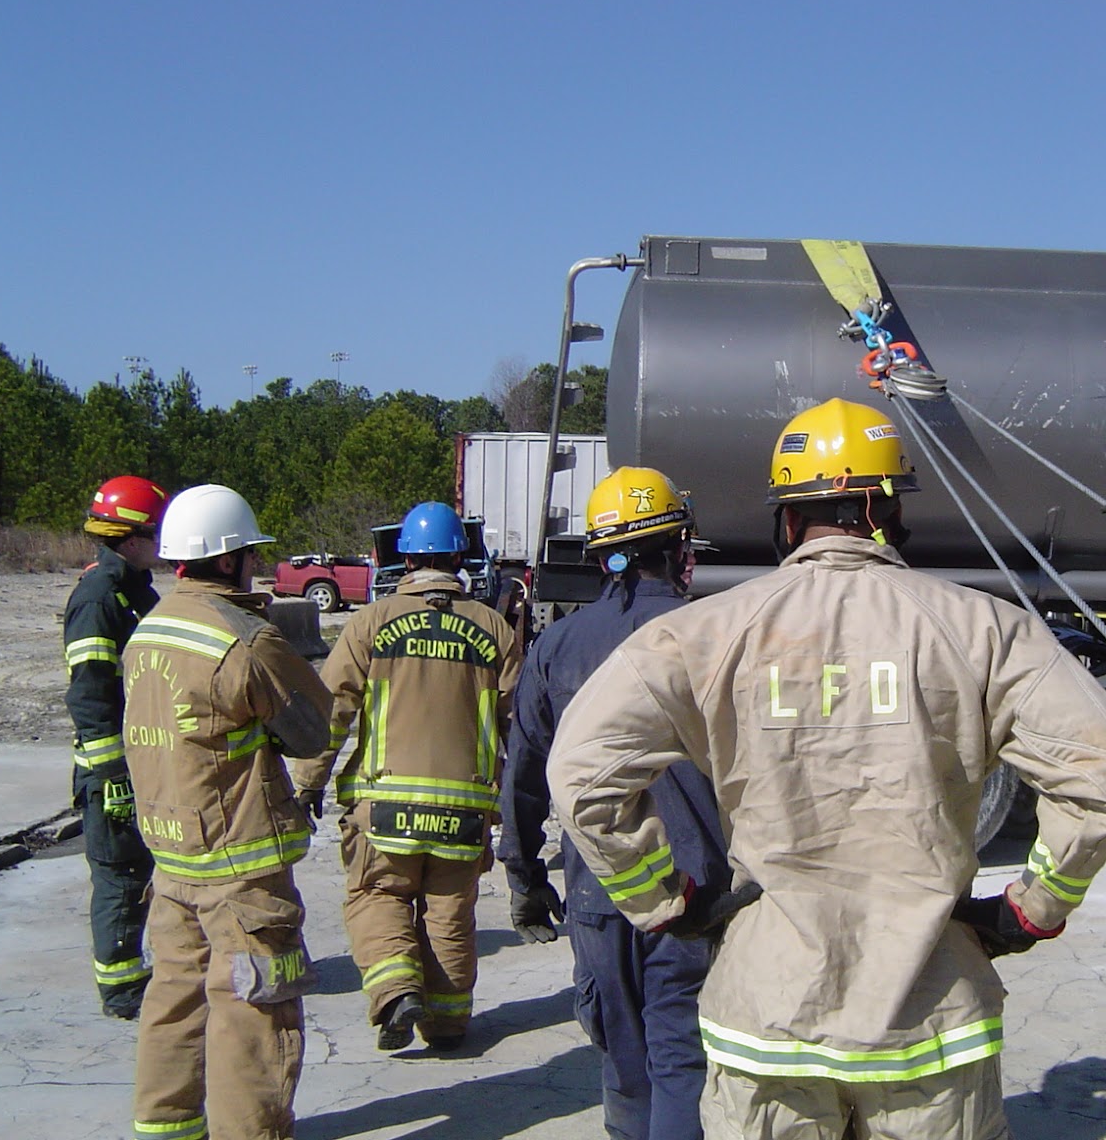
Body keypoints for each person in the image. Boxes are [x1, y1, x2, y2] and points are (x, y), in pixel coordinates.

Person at [547, 397, 1106, 1139]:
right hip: (931, 1026)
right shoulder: (986, 629)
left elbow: (580, 773)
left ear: (788, 519)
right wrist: (1033, 906)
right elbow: (1102, 767)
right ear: (888, 509)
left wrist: (664, 901)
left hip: (768, 1025)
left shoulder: (700, 635)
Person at [498, 466, 726, 1140]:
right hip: (695, 890)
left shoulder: (558, 646)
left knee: (625, 1063)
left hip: (600, 891)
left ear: (601, 557)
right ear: (679, 547)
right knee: (682, 1058)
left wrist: (525, 878)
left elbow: (525, 776)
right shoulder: (714, 634)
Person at [121, 483, 333, 1140]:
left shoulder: (146, 630)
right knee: (253, 1014)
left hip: (170, 856)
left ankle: (167, 1127)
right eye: (248, 555)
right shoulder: (243, 640)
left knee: (173, 1000)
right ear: (227, 560)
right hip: (239, 869)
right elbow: (311, 731)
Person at [293, 501, 520, 1052]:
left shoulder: (370, 623)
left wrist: (308, 781)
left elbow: (332, 710)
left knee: (378, 895)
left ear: (406, 558)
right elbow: (518, 725)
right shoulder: (495, 630)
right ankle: (446, 1024)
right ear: (460, 557)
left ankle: (396, 991)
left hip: (385, 805)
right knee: (448, 914)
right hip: (464, 814)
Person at [63, 474, 169, 1019]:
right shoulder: (100, 599)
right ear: (130, 537)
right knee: (120, 877)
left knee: (138, 874)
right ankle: (124, 990)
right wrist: (115, 778)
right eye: (156, 533)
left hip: (139, 762)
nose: (162, 544)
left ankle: (137, 976)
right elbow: (90, 696)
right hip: (112, 772)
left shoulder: (132, 591)